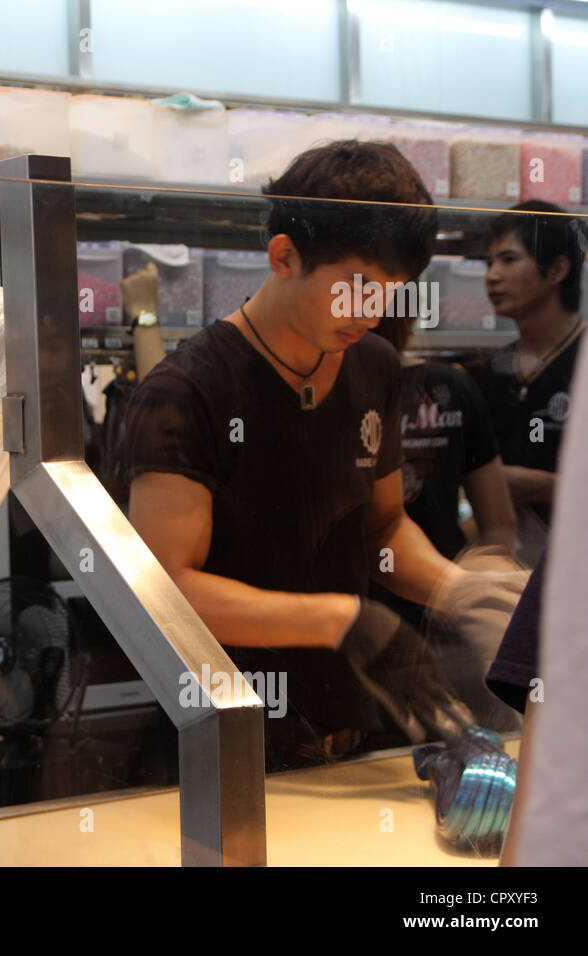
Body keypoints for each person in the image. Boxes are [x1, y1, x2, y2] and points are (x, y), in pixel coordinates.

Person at [121, 141, 526, 771]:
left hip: (344, 737)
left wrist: (459, 590)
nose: (372, 311)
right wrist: (344, 619)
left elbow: (383, 529)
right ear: (284, 255)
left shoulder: (376, 368)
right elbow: (163, 591)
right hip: (216, 743)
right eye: (358, 286)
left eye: (391, 291)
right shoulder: (187, 390)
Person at [368, 314, 521, 730]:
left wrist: (473, 599)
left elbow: (497, 524)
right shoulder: (444, 387)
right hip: (370, 630)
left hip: (416, 620)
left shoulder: (447, 389)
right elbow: (499, 523)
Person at [468, 200, 585, 566]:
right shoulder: (487, 371)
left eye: (508, 259)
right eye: (489, 263)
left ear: (557, 269)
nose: (492, 275)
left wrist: (546, 487)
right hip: (508, 567)